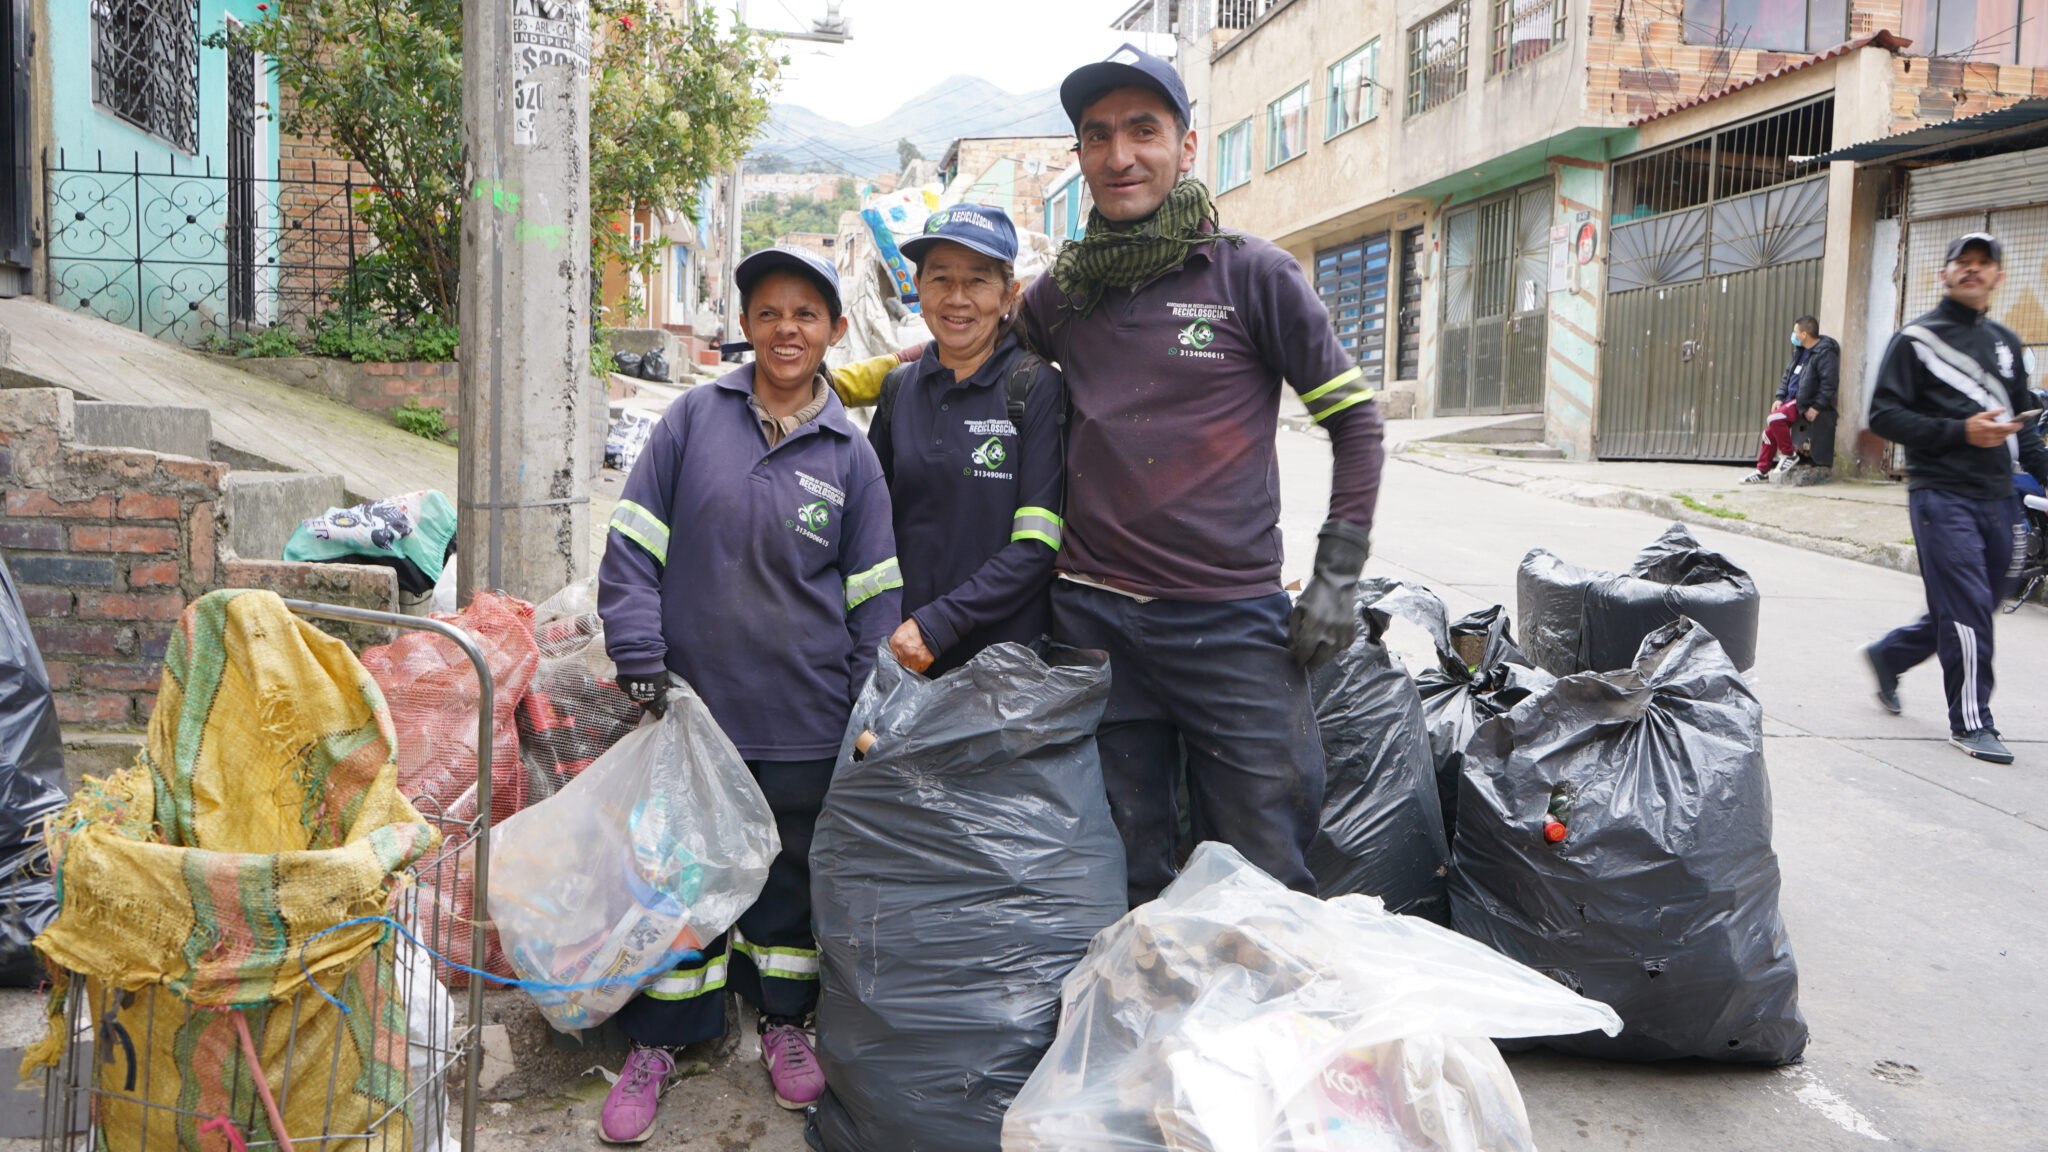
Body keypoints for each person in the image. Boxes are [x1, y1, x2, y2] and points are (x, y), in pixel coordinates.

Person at [1017, 45, 1385, 907]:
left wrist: (1335, 578)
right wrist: (840, 379)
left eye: (1144, 130)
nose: (1120, 156)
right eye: (1098, 137)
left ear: (1187, 147)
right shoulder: (1066, 294)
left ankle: (1266, 1034)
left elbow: (1357, 425)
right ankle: (1142, 1033)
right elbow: (972, 354)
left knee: (1266, 865)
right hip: (1096, 619)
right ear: (1080, 160)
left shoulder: (1251, 274)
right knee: (1121, 867)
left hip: (1231, 625)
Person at [595, 245, 901, 1137]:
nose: (786, 329)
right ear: (748, 326)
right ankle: (659, 1041)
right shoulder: (693, 419)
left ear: (834, 332)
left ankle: (784, 1024)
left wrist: (864, 708)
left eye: (806, 314)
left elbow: (875, 598)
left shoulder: (850, 455)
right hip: (693, 711)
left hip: (804, 719)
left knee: (784, 887)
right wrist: (639, 646)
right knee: (678, 879)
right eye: (769, 312)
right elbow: (633, 544)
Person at [1865, 232, 2046, 765]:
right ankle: (1971, 721)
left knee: (1985, 599)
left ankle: (1888, 654)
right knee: (1967, 608)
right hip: (1940, 494)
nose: (1972, 270)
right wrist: (1959, 432)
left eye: (1983, 264)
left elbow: (2024, 429)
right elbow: (1884, 417)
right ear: (1942, 274)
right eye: (1961, 262)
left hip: (1999, 495)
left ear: (1998, 277)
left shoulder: (2007, 345)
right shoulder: (1915, 340)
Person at [869, 203, 1066, 676]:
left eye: (977, 280)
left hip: (999, 671)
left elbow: (1036, 548)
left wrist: (938, 624)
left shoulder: (1035, 388)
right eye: (940, 279)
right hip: (902, 655)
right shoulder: (898, 388)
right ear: (919, 290)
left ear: (1009, 296)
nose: (957, 298)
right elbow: (868, 529)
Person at [1745, 315, 1840, 483]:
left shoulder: (1825, 352)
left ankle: (1789, 455)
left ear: (1804, 334)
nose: (1793, 335)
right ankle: (1762, 471)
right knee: (1768, 433)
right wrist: (1780, 396)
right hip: (1789, 400)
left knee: (1774, 419)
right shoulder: (1800, 352)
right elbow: (1787, 375)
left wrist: (1816, 407)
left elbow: (1829, 384)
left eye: (1795, 332)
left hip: (1804, 400)